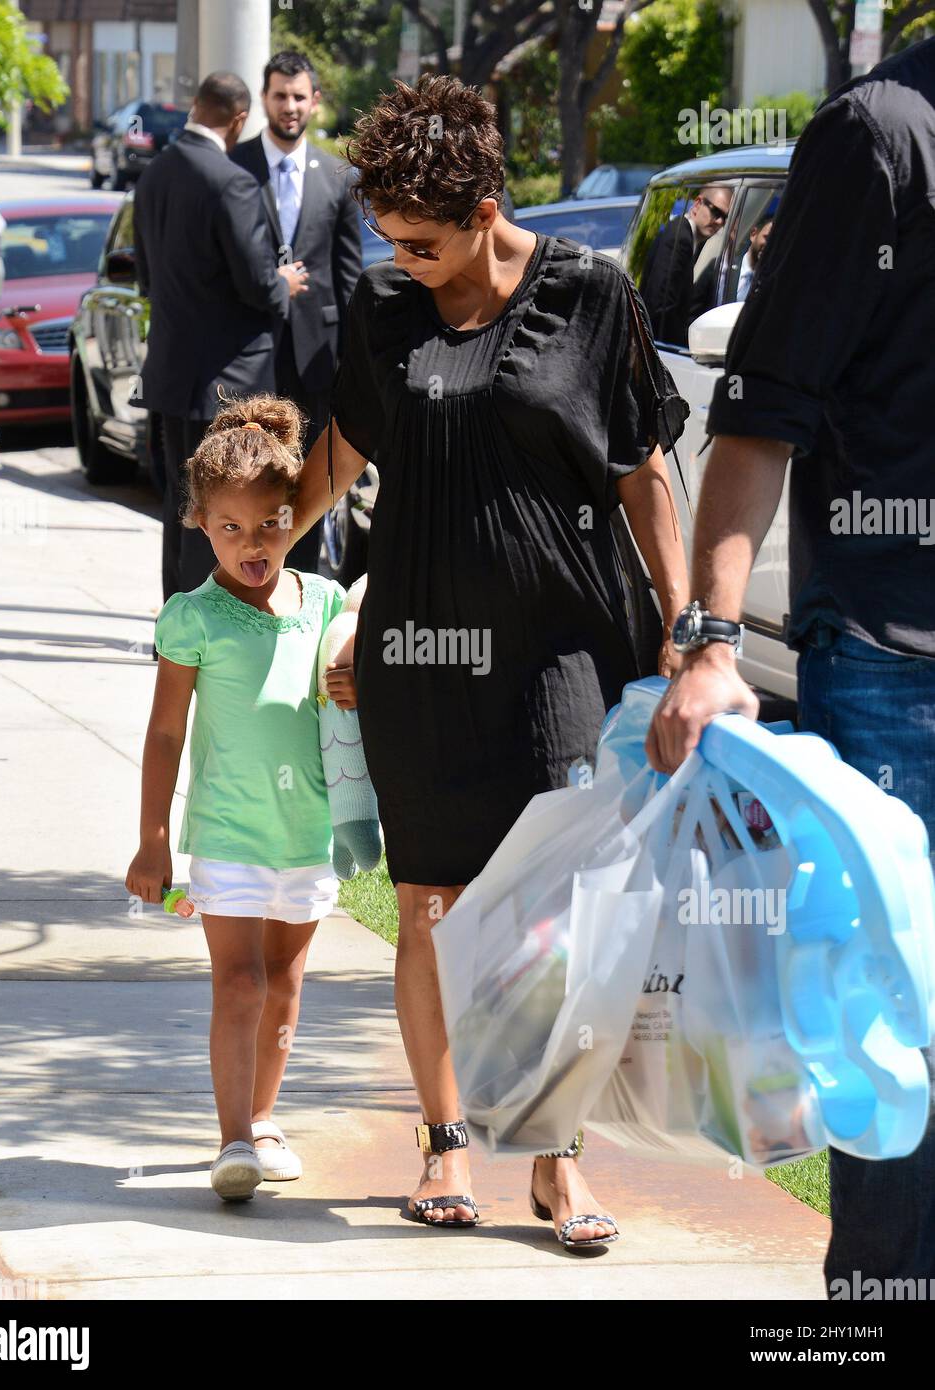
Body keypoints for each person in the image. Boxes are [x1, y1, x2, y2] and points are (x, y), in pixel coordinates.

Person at [287, 74, 690, 1249]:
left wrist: (685, 621)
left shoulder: (589, 296)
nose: (402, 259)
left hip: (563, 643)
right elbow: (343, 454)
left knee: (564, 910)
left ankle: (558, 1157)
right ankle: (446, 1138)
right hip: (416, 645)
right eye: (387, 239)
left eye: (422, 240)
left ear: (487, 206)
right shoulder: (383, 306)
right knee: (429, 900)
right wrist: (267, 563)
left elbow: (641, 473)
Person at [645, 37, 935, 1295]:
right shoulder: (877, 138)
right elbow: (760, 411)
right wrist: (710, 639)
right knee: (899, 1043)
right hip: (894, 661)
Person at [124, 395, 348, 1202]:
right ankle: (232, 1137)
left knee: (286, 982)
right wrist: (153, 839)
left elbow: (349, 691)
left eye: (269, 525)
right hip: (227, 831)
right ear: (198, 522)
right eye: (230, 528)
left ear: (297, 515)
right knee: (240, 983)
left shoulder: (323, 604)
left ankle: (264, 1117)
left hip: (309, 830)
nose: (252, 545)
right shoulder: (194, 620)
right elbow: (162, 736)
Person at [133, 71, 309, 611]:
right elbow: (256, 284)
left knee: (181, 505)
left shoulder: (152, 175)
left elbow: (144, 277)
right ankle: (215, 620)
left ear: (194, 107)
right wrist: (284, 285)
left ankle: (177, 621)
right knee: (227, 506)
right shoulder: (231, 182)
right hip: (227, 382)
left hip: (171, 371)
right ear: (238, 119)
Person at [231, 50, 363, 571]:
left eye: (299, 96)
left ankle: (301, 584)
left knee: (306, 479)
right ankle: (240, 586)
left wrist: (355, 354)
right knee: (245, 475)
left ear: (315, 102)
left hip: (316, 357)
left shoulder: (337, 175)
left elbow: (350, 274)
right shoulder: (233, 166)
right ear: (264, 98)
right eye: (280, 95)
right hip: (246, 350)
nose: (290, 106)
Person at [640, 184, 732, 346]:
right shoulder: (680, 238)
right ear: (697, 204)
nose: (719, 222)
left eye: (725, 218)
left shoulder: (686, 237)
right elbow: (660, 306)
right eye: (715, 212)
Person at [736, 214, 772, 300]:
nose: (770, 245)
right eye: (767, 238)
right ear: (753, 234)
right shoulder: (725, 267)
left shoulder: (769, 280)